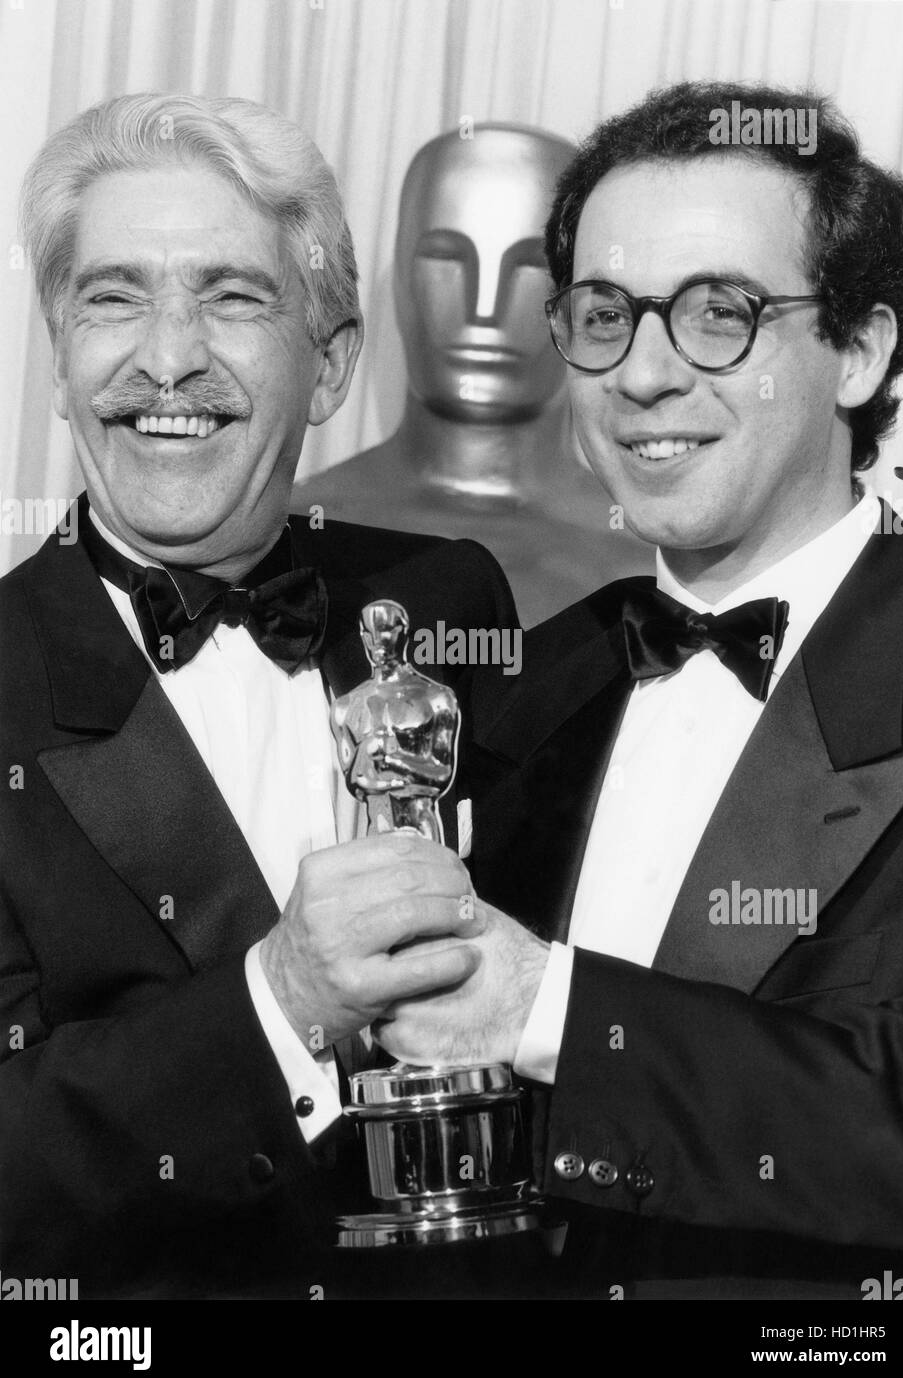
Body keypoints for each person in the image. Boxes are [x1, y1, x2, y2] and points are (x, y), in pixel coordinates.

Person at [370, 81, 903, 1300]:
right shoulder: (544, 671)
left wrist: (551, 1011)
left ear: (860, 350)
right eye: (607, 314)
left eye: (719, 314)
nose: (643, 374)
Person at [0, 93, 517, 1299]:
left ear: (331, 363)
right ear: (59, 348)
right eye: (114, 297)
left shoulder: (447, 597)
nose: (166, 357)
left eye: (232, 298)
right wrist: (282, 998)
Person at [295, 123, 652, 625]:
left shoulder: (655, 560)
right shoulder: (292, 531)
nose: (483, 309)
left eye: (530, 265)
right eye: (446, 257)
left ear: (585, 301)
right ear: (397, 276)